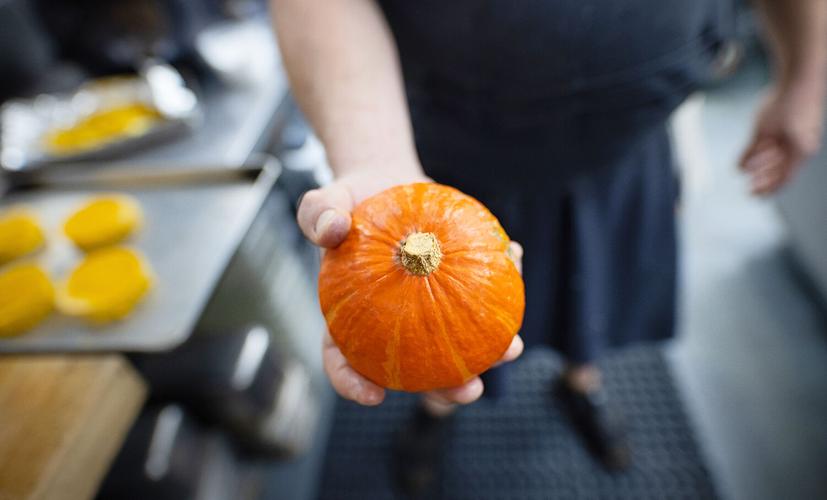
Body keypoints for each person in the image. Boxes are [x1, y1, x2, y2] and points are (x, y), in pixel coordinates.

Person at [272, 0, 826, 492]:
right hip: (445, 164)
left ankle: (583, 381)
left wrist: (806, 76)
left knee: (602, 297)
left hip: (628, 148)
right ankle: (436, 411)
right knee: (445, 329)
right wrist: (377, 163)